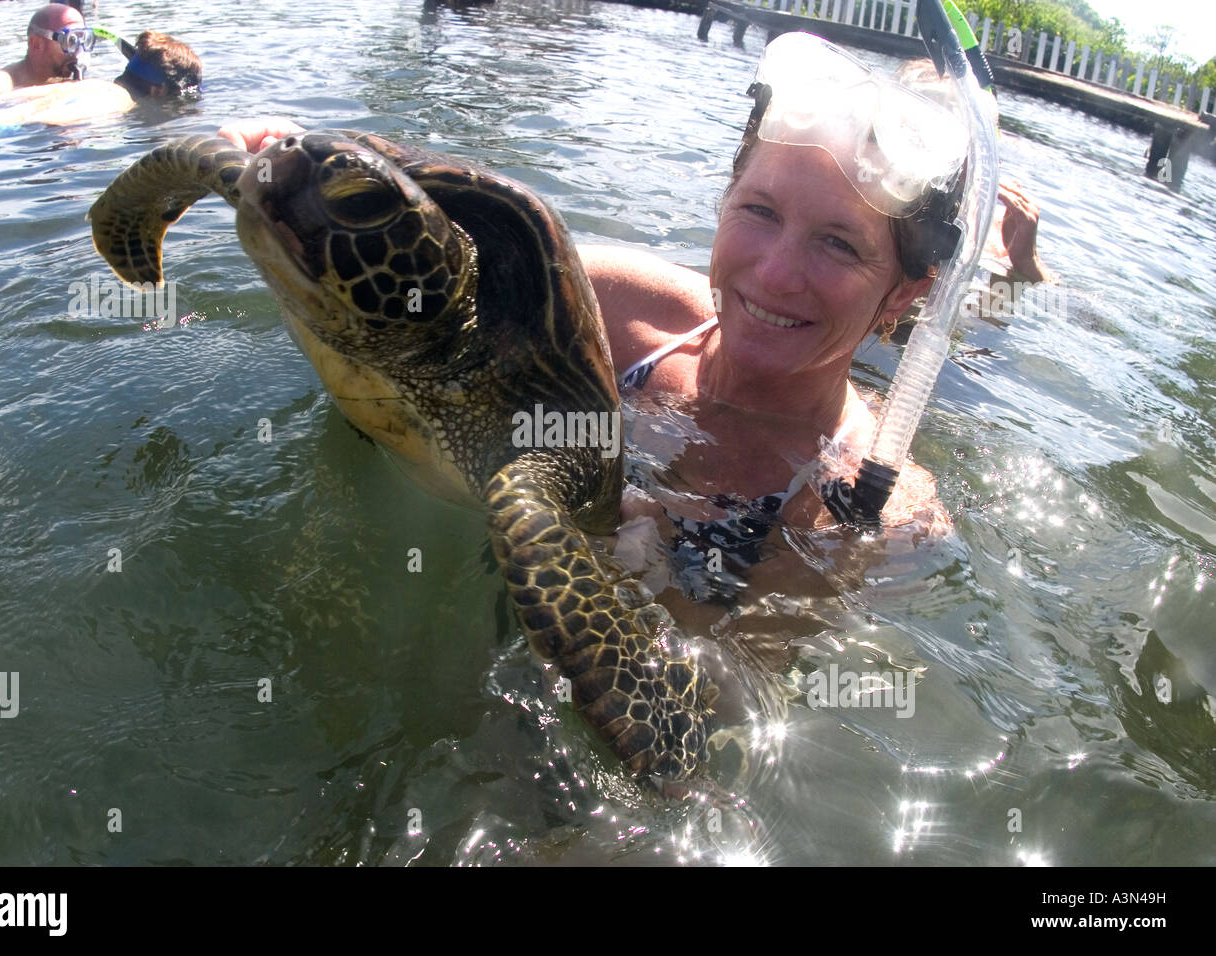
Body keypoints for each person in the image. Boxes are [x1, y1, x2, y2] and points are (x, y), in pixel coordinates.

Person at [214, 34, 1050, 601]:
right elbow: (418, 290)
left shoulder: (876, 513)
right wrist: (321, 192)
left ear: (906, 295)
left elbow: (724, 728)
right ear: (721, 202)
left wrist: (635, 577)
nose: (774, 271)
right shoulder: (614, 308)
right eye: (758, 211)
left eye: (838, 244)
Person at [0, 31, 202, 128]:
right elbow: (45, 121)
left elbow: (0, 101)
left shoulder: (91, 85)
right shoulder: (118, 102)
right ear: (158, 91)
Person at [0, 3, 91, 98]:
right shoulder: (0, 81)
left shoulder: (62, 79)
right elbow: (0, 110)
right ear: (36, 44)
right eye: (70, 41)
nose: (78, 52)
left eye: (84, 40)